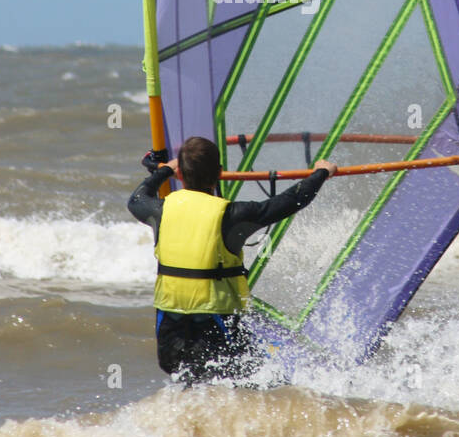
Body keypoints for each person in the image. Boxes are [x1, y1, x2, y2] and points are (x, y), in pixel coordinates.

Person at [128, 135, 336, 383]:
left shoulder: (160, 210)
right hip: (216, 327)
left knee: (190, 385)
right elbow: (289, 201)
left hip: (169, 330)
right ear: (219, 173)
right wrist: (321, 173)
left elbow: (136, 199)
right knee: (250, 383)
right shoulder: (232, 216)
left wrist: (163, 172)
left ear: (180, 174)